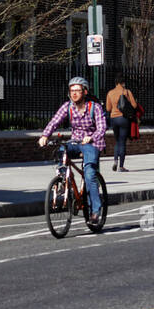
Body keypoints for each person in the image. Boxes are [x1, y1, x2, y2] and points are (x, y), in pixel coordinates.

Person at [38, 77, 106, 218]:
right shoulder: (67, 106)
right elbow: (54, 121)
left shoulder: (95, 107)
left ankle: (95, 210)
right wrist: (45, 136)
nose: (74, 93)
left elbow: (102, 128)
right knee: (61, 150)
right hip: (75, 142)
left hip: (92, 143)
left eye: (77, 90)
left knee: (89, 175)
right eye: (72, 91)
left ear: (85, 92)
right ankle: (63, 179)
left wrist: (91, 137)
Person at [104, 75, 139, 172]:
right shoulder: (127, 92)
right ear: (123, 83)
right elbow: (134, 105)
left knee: (117, 141)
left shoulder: (110, 93)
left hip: (114, 118)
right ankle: (121, 166)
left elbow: (108, 109)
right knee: (122, 141)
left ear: (116, 83)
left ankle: (115, 160)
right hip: (124, 118)